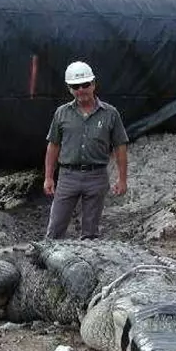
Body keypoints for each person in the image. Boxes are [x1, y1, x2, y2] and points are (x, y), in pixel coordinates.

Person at [43, 61, 128, 240]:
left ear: (93, 84)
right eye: (75, 86)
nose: (81, 90)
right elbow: (53, 146)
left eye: (85, 85)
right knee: (55, 228)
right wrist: (49, 177)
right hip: (68, 176)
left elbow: (120, 146)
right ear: (69, 88)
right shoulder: (61, 113)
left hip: (96, 177)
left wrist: (122, 179)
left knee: (90, 233)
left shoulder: (110, 114)